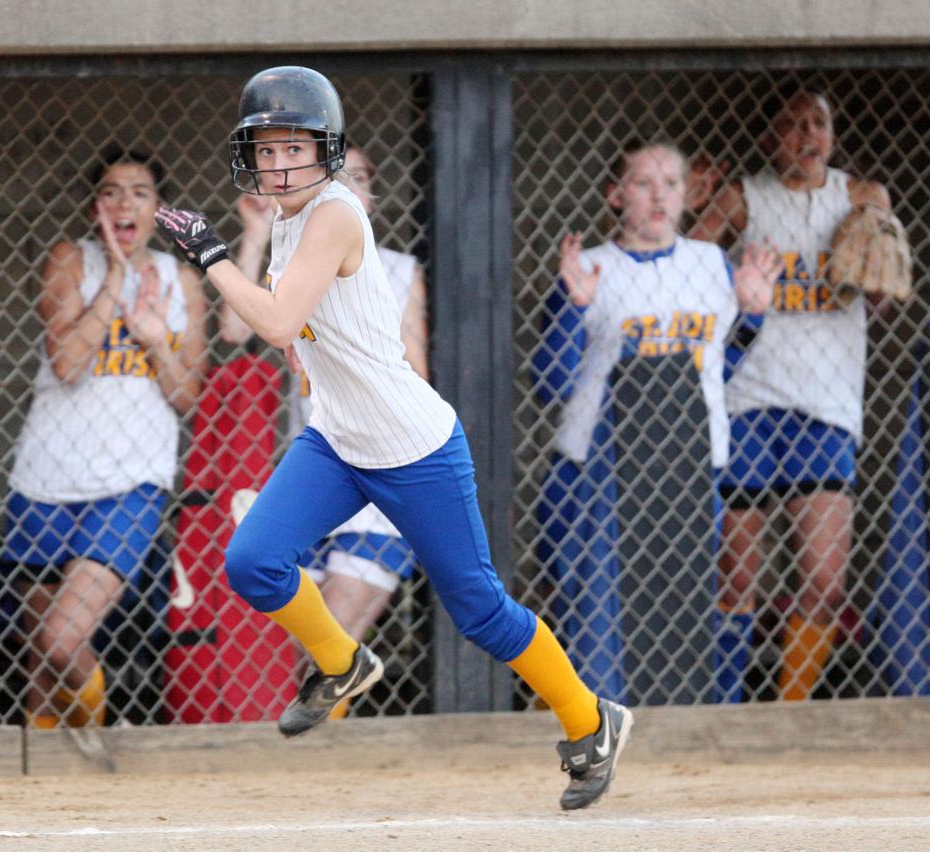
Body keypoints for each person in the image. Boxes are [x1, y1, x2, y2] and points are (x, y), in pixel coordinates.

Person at [157, 65, 628, 811]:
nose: (280, 165)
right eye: (267, 150)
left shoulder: (336, 214)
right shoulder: (284, 220)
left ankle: (590, 718)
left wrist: (214, 255)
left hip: (413, 449)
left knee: (480, 610)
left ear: (329, 151)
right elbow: (295, 332)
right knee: (252, 562)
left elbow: (272, 320)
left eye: (296, 148)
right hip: (338, 441)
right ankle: (340, 660)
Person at [531, 140, 778, 704]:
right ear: (616, 195)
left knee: (675, 612)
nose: (659, 194)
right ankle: (590, 720)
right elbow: (550, 383)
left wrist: (753, 317)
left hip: (687, 465)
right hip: (598, 466)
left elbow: (720, 368)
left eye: (671, 182)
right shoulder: (593, 266)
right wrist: (570, 308)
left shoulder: (711, 264)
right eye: (643, 182)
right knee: (588, 607)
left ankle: (690, 725)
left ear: (689, 194)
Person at [690, 88, 896, 701]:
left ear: (833, 135)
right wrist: (698, 222)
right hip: (748, 402)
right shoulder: (744, 198)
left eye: (818, 123)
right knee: (735, 576)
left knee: (825, 581)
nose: (806, 136)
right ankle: (726, 705)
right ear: (767, 139)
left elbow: (884, 299)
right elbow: (682, 271)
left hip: (827, 407)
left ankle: (790, 709)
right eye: (790, 125)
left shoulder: (861, 198)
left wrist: (872, 269)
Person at [221, 145, 429, 720]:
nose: (343, 188)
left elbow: (417, 370)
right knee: (311, 642)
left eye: (356, 178)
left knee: (337, 621)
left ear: (368, 197)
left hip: (383, 458)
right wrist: (258, 236)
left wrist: (343, 330)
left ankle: (336, 772)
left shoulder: (397, 270)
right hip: (320, 463)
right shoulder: (286, 261)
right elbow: (235, 329)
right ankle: (328, 776)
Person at [3, 147, 206, 728]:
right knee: (42, 662)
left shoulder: (180, 280)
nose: (125, 203)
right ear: (97, 208)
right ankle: (48, 788)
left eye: (140, 192)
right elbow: (66, 363)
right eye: (112, 192)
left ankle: (96, 728)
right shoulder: (73, 260)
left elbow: (188, 395)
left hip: (130, 483)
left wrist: (153, 339)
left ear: (158, 209)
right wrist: (115, 279)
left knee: (63, 641)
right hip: (46, 479)